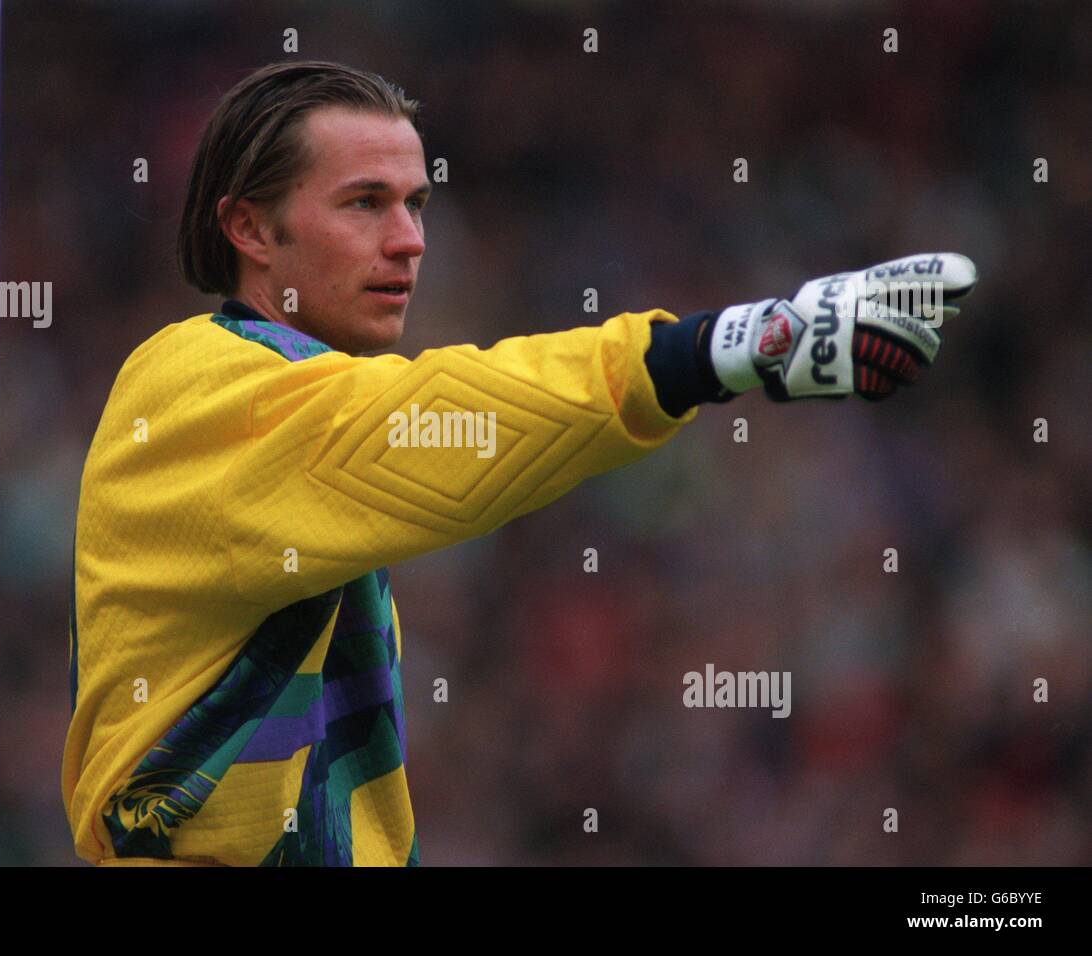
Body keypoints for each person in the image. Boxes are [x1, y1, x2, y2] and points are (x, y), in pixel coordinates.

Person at [61, 60, 977, 866]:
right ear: (250, 231)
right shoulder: (195, 387)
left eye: (416, 203)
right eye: (364, 202)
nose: (411, 239)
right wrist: (724, 347)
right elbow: (446, 423)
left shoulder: (290, 406)